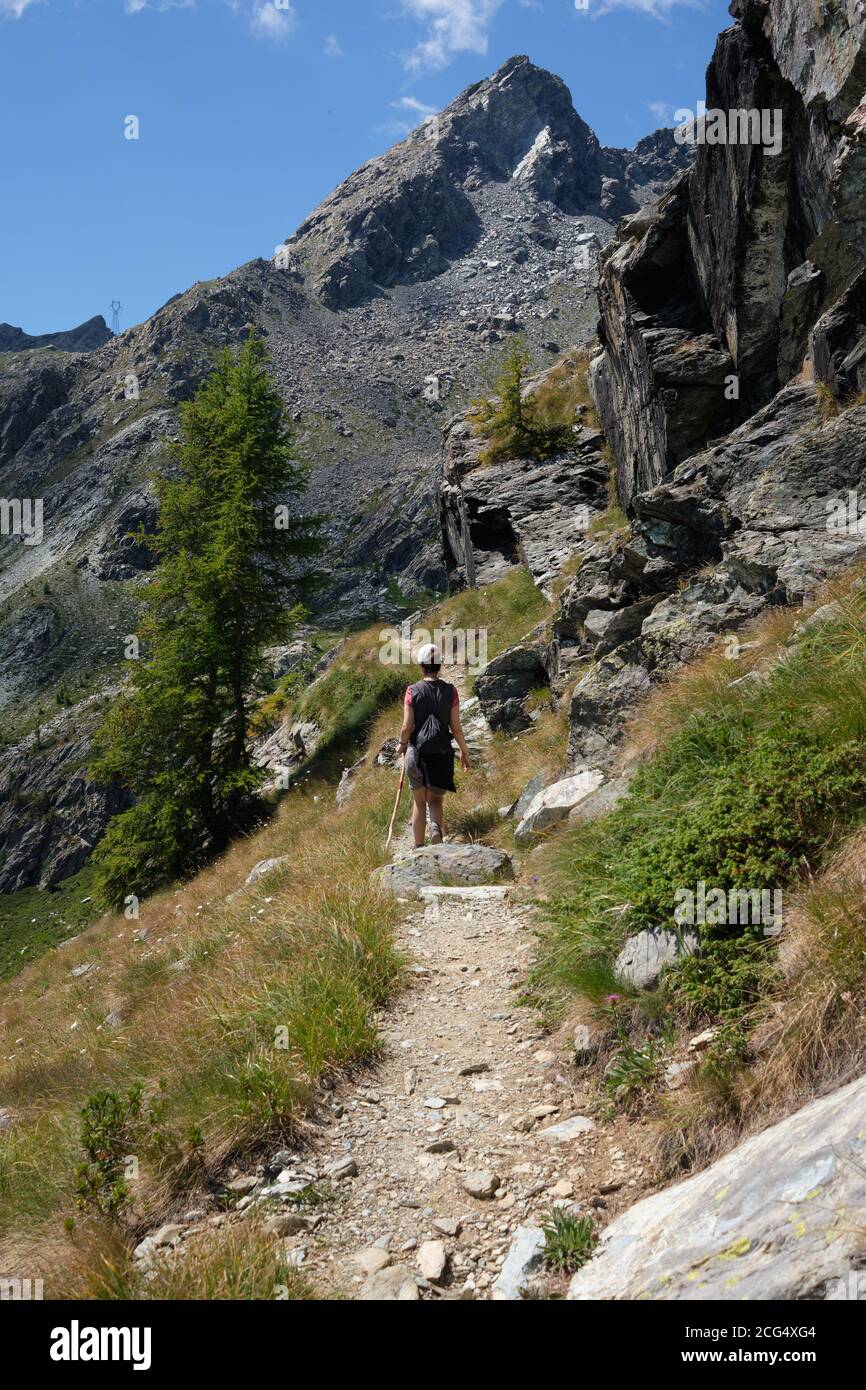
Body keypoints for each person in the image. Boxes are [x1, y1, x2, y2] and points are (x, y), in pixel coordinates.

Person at [398, 642, 471, 848]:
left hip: (417, 753)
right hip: (442, 753)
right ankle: (436, 830)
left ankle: (419, 847)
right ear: (439, 666)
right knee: (436, 800)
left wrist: (401, 744)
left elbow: (406, 726)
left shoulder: (412, 691)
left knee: (420, 802)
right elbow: (456, 728)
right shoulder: (451, 691)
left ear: (421, 666)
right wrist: (465, 752)